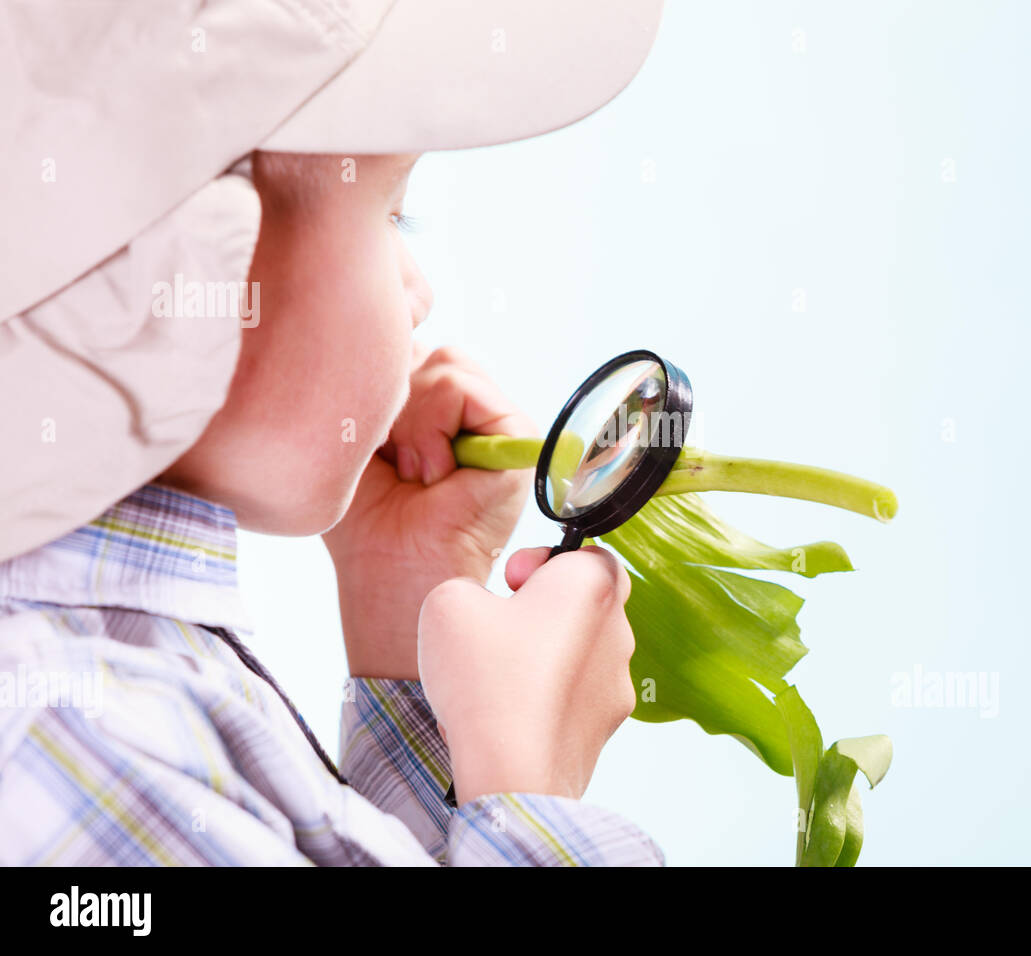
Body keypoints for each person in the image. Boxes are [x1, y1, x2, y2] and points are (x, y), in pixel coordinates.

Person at [0, 0, 667, 865]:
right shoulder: (53, 735)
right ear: (187, 260)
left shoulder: (110, 693)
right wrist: (527, 790)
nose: (419, 291)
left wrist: (401, 604)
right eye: (394, 215)